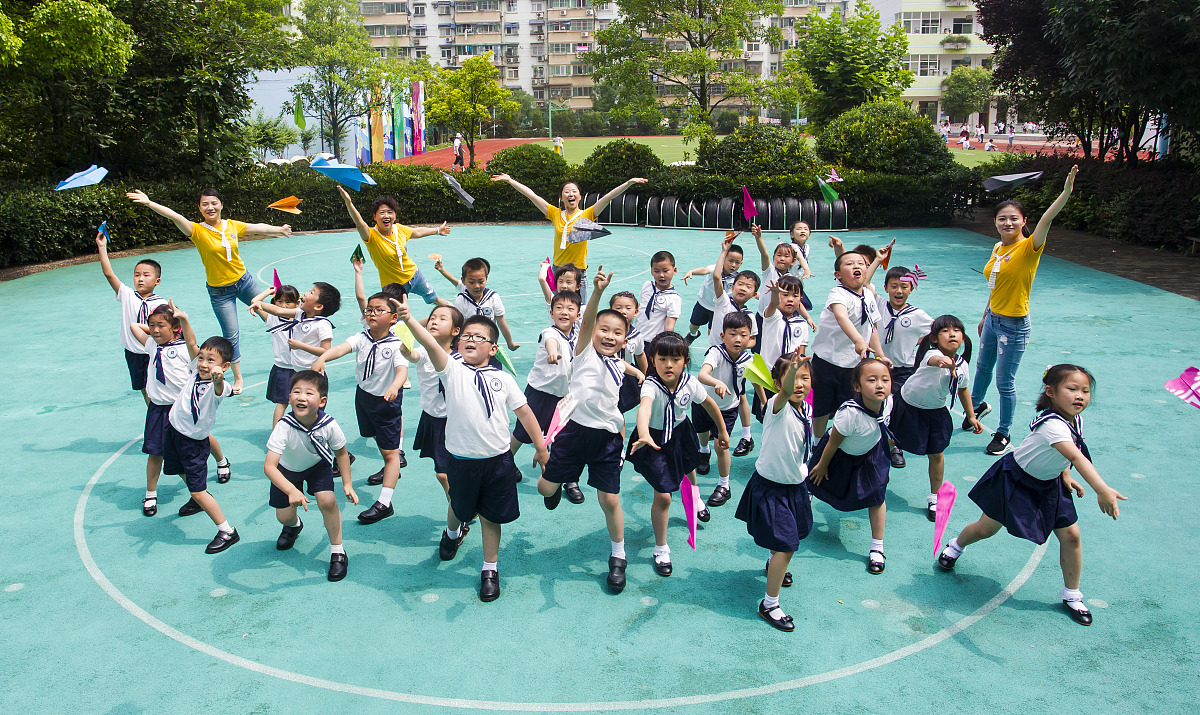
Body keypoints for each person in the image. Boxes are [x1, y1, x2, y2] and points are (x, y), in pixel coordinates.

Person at [938, 365, 1127, 626]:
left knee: (1071, 536)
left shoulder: (1074, 420)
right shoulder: (1052, 425)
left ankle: (1072, 594)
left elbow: (1064, 455)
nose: (1080, 396)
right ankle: (956, 545)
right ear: (1050, 391)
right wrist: (1102, 489)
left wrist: (1065, 474)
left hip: (1050, 484)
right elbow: (1075, 454)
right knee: (986, 529)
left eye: (1085, 391)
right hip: (1016, 482)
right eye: (1072, 389)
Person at [399, 307, 550, 603]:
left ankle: (489, 569)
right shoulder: (452, 370)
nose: (471, 339)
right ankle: (452, 533)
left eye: (479, 337)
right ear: (457, 343)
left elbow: (526, 413)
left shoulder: (502, 379)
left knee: (491, 517)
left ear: (493, 348)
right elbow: (429, 343)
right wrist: (407, 319)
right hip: (462, 460)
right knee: (458, 504)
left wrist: (541, 448)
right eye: (466, 335)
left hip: (498, 460)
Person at [538, 268, 645, 593]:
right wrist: (597, 292)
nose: (609, 336)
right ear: (592, 331)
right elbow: (585, 325)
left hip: (606, 440)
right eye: (603, 330)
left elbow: (622, 371)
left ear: (625, 340)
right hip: (573, 434)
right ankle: (555, 487)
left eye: (617, 332)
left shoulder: (617, 364)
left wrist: (638, 373)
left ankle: (618, 556)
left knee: (609, 499)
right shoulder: (582, 355)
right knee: (544, 489)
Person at [126, 188, 293, 394]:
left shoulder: (231, 225)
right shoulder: (197, 230)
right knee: (231, 335)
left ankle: (292, 350)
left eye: (214, 203)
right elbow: (174, 216)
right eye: (205, 204)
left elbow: (257, 227)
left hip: (244, 281)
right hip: (220, 292)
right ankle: (238, 377)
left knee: (270, 315)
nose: (210, 207)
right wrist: (149, 203)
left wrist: (279, 229)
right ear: (200, 208)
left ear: (221, 205)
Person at [969, 165, 1079, 455]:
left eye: (1013, 219)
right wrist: (985, 316)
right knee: (982, 367)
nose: (1007, 223)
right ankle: (976, 406)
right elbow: (995, 285)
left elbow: (1047, 218)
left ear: (1023, 222)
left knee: (1005, 382)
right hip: (993, 320)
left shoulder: (1030, 248)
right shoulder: (997, 247)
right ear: (995, 222)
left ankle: (1003, 433)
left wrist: (1066, 192)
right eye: (1002, 219)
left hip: (1014, 326)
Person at [628, 332, 730, 577]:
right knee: (663, 496)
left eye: (675, 359)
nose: (668, 364)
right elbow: (644, 410)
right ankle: (661, 547)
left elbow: (709, 404)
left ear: (685, 361)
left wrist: (723, 430)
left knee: (689, 468)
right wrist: (643, 433)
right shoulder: (651, 385)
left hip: (681, 433)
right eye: (662, 359)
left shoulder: (689, 382)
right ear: (652, 360)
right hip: (654, 440)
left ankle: (694, 500)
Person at [311, 293, 408, 526]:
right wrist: (323, 357)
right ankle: (392, 466)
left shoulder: (397, 344)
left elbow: (402, 370)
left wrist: (395, 385)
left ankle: (385, 502)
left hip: (386, 400)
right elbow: (342, 348)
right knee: (375, 437)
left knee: (390, 454)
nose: (371, 313)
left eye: (378, 310)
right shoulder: (362, 337)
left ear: (393, 317)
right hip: (364, 397)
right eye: (369, 310)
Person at [734, 349, 813, 632]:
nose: (800, 384)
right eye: (793, 378)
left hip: (795, 486)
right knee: (787, 545)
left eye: (806, 377)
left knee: (791, 537)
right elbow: (788, 389)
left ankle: (772, 564)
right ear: (778, 385)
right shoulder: (775, 408)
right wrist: (792, 371)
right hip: (771, 488)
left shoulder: (807, 409)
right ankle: (769, 605)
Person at [131, 302, 231, 518]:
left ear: (175, 328)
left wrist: (180, 321)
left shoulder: (186, 351)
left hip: (182, 407)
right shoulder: (151, 345)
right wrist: (158, 328)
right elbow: (133, 326)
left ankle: (221, 462)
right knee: (155, 451)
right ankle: (151, 493)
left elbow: (193, 343)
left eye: (161, 326)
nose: (155, 329)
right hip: (158, 410)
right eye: (152, 325)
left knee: (203, 439)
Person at [264, 369, 358, 581]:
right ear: (289, 398)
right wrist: (290, 490)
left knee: (327, 501)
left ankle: (338, 551)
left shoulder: (329, 425)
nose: (301, 397)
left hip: (317, 466)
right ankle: (294, 526)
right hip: (286, 471)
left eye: (309, 393)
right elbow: (270, 466)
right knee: (284, 516)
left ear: (322, 401)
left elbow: (341, 454)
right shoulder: (284, 426)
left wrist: (348, 484)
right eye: (296, 392)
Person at [491, 174, 648, 299]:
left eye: (574, 191)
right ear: (561, 197)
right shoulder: (555, 213)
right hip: (558, 270)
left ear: (579, 196)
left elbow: (607, 198)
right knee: (559, 310)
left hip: (579, 271)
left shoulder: (587, 214)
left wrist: (628, 183)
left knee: (581, 312)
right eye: (566, 192)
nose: (570, 194)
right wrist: (510, 181)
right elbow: (532, 196)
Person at [889, 316, 983, 521]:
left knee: (937, 454)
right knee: (888, 439)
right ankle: (877, 468)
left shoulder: (963, 366)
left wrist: (971, 416)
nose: (952, 334)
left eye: (957, 331)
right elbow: (935, 361)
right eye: (945, 331)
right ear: (934, 338)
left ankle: (934, 497)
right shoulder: (931, 354)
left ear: (963, 338)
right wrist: (945, 363)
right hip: (906, 405)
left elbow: (963, 390)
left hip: (935, 411)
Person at [806, 358, 893, 575]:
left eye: (885, 379)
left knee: (877, 496)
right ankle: (805, 500)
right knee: (815, 481)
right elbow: (834, 442)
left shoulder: (890, 403)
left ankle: (877, 547)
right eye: (871, 380)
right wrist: (823, 465)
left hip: (870, 455)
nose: (880, 385)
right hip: (839, 455)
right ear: (857, 387)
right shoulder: (849, 412)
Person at [163, 327, 240, 554]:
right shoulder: (196, 372)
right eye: (202, 358)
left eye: (211, 360)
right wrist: (184, 320)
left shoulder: (220, 386)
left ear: (224, 366)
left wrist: (218, 379)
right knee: (179, 469)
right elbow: (191, 342)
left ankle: (227, 530)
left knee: (198, 489)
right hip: (174, 432)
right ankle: (198, 501)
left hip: (193, 443)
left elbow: (218, 387)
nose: (204, 363)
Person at [808, 250, 889, 439]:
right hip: (827, 362)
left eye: (860, 263)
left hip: (854, 364)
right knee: (821, 407)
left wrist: (879, 355)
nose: (856, 267)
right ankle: (818, 442)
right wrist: (859, 341)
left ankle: (842, 442)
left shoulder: (869, 295)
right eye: (850, 264)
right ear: (838, 275)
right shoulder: (838, 293)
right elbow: (841, 317)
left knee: (851, 406)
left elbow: (872, 328)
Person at [512, 290, 581, 499]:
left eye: (570, 309)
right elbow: (552, 343)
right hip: (540, 393)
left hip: (566, 396)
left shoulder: (578, 333)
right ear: (551, 313)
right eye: (558, 308)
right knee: (522, 434)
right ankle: (504, 464)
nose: (564, 312)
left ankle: (570, 478)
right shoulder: (549, 333)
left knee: (567, 437)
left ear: (578, 315)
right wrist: (552, 353)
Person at [401, 304, 464, 531]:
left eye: (442, 318)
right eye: (432, 318)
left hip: (455, 421)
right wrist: (406, 349)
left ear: (456, 331)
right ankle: (459, 509)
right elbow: (413, 354)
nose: (434, 321)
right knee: (443, 473)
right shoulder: (425, 352)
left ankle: (459, 511)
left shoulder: (461, 359)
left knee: (446, 473)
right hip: (433, 419)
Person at [337, 186, 451, 307]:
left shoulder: (399, 229)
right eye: (382, 213)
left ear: (395, 216)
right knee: (393, 317)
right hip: (392, 287)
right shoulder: (371, 236)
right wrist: (348, 203)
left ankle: (458, 315)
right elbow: (359, 224)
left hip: (415, 275)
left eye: (390, 212)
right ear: (374, 216)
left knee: (436, 300)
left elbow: (416, 232)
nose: (386, 216)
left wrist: (437, 230)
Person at [873, 265, 933, 468]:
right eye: (894, 286)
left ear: (911, 289)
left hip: (903, 368)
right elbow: (863, 283)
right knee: (875, 404)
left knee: (896, 408)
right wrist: (878, 259)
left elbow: (936, 331)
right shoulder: (879, 304)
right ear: (886, 287)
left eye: (904, 286)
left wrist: (916, 342)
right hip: (878, 365)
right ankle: (872, 441)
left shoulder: (917, 315)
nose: (899, 291)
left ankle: (894, 446)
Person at [95, 230, 165, 404]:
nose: (140, 279)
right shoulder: (127, 295)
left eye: (146, 275)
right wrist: (102, 248)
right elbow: (109, 274)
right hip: (133, 354)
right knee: (144, 389)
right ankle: (154, 418)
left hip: (153, 352)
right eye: (137, 275)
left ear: (157, 281)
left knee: (160, 388)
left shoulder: (161, 303)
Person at [707, 238, 762, 457]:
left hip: (735, 359)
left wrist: (738, 345)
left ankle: (747, 436)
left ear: (754, 294)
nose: (743, 288)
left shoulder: (749, 316)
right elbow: (715, 276)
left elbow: (753, 341)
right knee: (710, 393)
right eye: (740, 284)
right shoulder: (723, 301)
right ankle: (708, 435)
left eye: (749, 287)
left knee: (739, 395)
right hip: (714, 355)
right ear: (733, 285)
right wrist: (723, 251)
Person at [694, 311, 754, 510]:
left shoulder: (748, 359)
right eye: (733, 334)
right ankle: (703, 451)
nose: (738, 339)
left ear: (750, 338)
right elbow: (703, 374)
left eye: (743, 335)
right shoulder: (715, 352)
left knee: (722, 445)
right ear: (722, 336)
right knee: (702, 433)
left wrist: (764, 401)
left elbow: (757, 381)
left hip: (728, 408)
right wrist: (717, 382)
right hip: (703, 401)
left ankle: (724, 485)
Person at [251, 282, 340, 375]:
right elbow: (278, 310)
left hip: (311, 372)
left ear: (318, 306)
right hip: (296, 370)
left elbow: (326, 351)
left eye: (311, 293)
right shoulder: (300, 314)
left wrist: (301, 346)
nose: (305, 293)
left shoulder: (322, 324)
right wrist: (258, 303)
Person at [434, 256, 519, 350]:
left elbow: (501, 322)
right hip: (468, 346)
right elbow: (459, 325)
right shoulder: (461, 299)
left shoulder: (493, 297)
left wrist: (510, 342)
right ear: (464, 281)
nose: (477, 286)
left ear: (486, 278)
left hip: (489, 345)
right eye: (471, 282)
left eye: (481, 281)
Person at [249, 284, 302, 427]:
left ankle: (300, 430)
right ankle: (275, 435)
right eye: (279, 301)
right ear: (274, 303)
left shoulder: (302, 318)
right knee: (282, 403)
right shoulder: (272, 319)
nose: (284, 306)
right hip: (283, 368)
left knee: (301, 403)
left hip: (301, 368)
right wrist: (268, 292)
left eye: (288, 302)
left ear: (297, 303)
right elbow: (254, 302)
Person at [750, 224, 815, 340]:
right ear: (774, 257)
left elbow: (797, 302)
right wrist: (758, 237)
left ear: (793, 261)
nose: (782, 258)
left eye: (786, 256)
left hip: (779, 318)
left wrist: (808, 318)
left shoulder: (791, 279)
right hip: (762, 316)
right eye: (779, 255)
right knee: (757, 348)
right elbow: (764, 254)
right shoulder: (769, 271)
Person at [680, 239, 744, 345]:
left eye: (737, 262)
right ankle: (693, 335)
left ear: (741, 264)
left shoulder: (737, 278)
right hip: (703, 303)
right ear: (723, 259)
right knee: (693, 326)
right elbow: (705, 270)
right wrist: (691, 272)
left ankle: (715, 350)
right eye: (730, 260)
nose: (733, 265)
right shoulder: (716, 269)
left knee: (712, 332)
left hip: (718, 309)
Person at [608, 291, 647, 414]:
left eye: (628, 308)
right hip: (607, 375)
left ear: (636, 312)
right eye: (618, 308)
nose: (623, 311)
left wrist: (646, 375)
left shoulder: (637, 336)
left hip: (626, 377)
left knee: (619, 410)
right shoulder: (605, 333)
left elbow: (640, 355)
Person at [638, 251, 682, 341]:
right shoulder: (647, 285)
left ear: (675, 270)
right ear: (651, 271)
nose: (661, 275)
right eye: (656, 271)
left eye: (665, 271)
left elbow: (669, 327)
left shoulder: (674, 299)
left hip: (653, 342)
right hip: (636, 337)